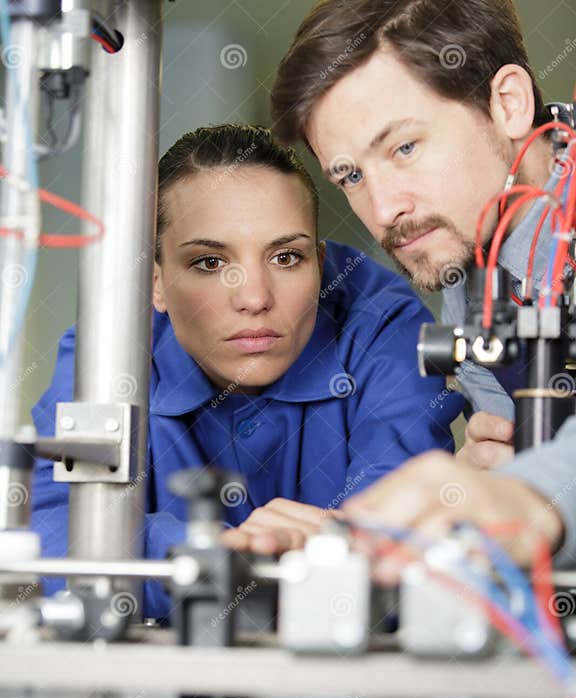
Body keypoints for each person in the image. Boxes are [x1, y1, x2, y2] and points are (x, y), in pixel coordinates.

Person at [31, 123, 462, 617]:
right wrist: (224, 558)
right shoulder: (110, 352)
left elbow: (404, 525)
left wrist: (179, 564)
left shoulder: (383, 324)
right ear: (156, 284)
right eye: (210, 263)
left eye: (286, 257)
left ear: (319, 264)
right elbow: (49, 529)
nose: (254, 298)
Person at [241, 0, 575, 569]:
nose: (383, 210)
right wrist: (385, 535)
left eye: (404, 148)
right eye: (351, 175)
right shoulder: (469, 259)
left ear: (509, 104)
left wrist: (526, 497)